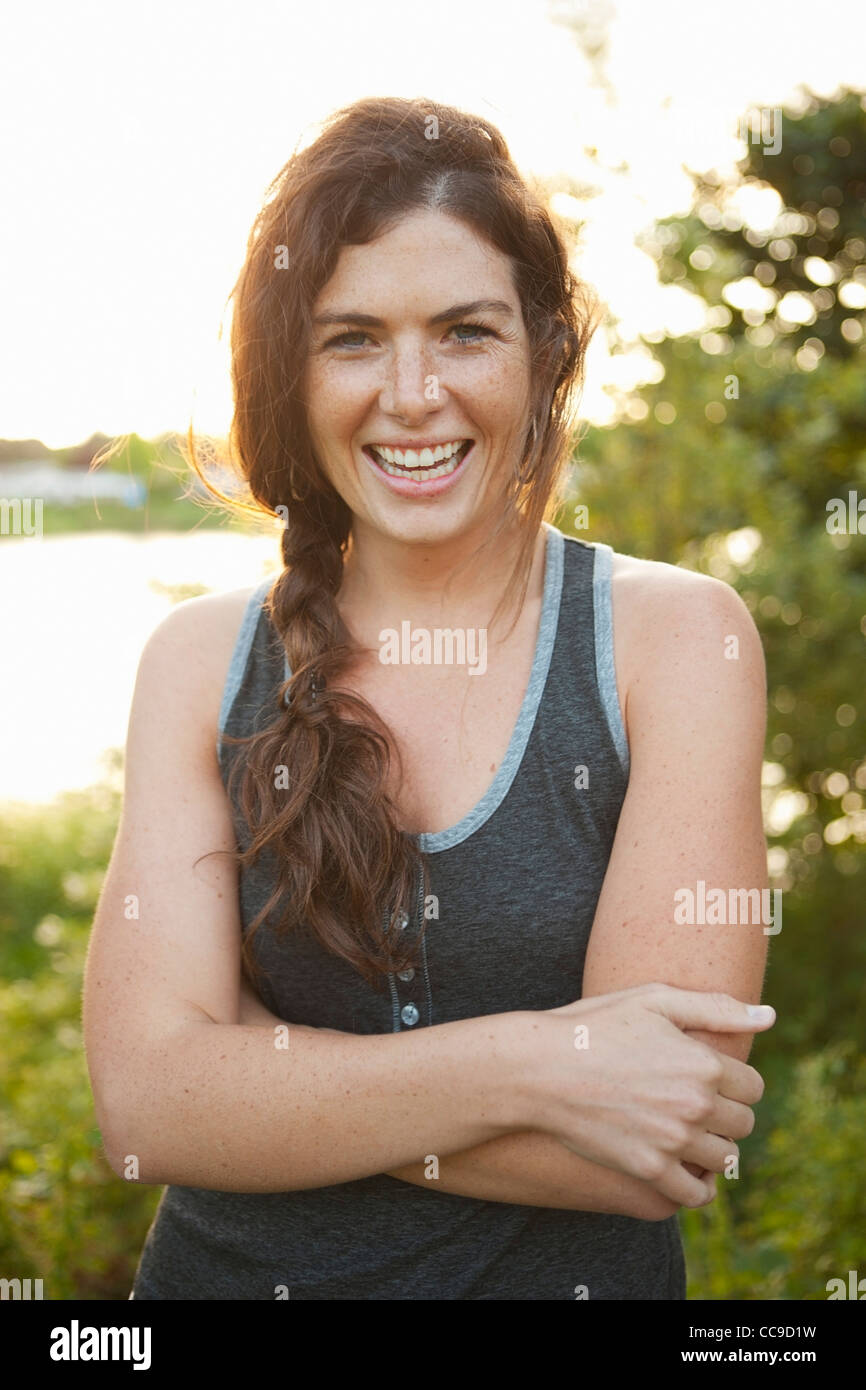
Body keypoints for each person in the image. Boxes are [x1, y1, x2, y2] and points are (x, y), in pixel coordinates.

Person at [83, 96, 774, 1301]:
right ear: (289, 372)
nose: (411, 395)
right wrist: (542, 1059)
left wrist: (252, 1078)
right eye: (352, 338)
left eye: (463, 332)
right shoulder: (199, 663)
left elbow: (658, 1138)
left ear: (545, 350)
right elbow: (145, 1106)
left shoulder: (674, 640)